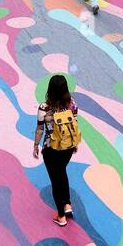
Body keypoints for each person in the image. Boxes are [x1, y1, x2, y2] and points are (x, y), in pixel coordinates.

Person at [33, 74, 80, 227]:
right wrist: (74, 143)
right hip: (68, 147)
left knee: (55, 180)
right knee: (62, 173)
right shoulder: (72, 104)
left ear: (50, 90)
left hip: (51, 148)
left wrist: (35, 145)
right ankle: (67, 205)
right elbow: (75, 123)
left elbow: (40, 129)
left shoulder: (44, 108)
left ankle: (61, 216)